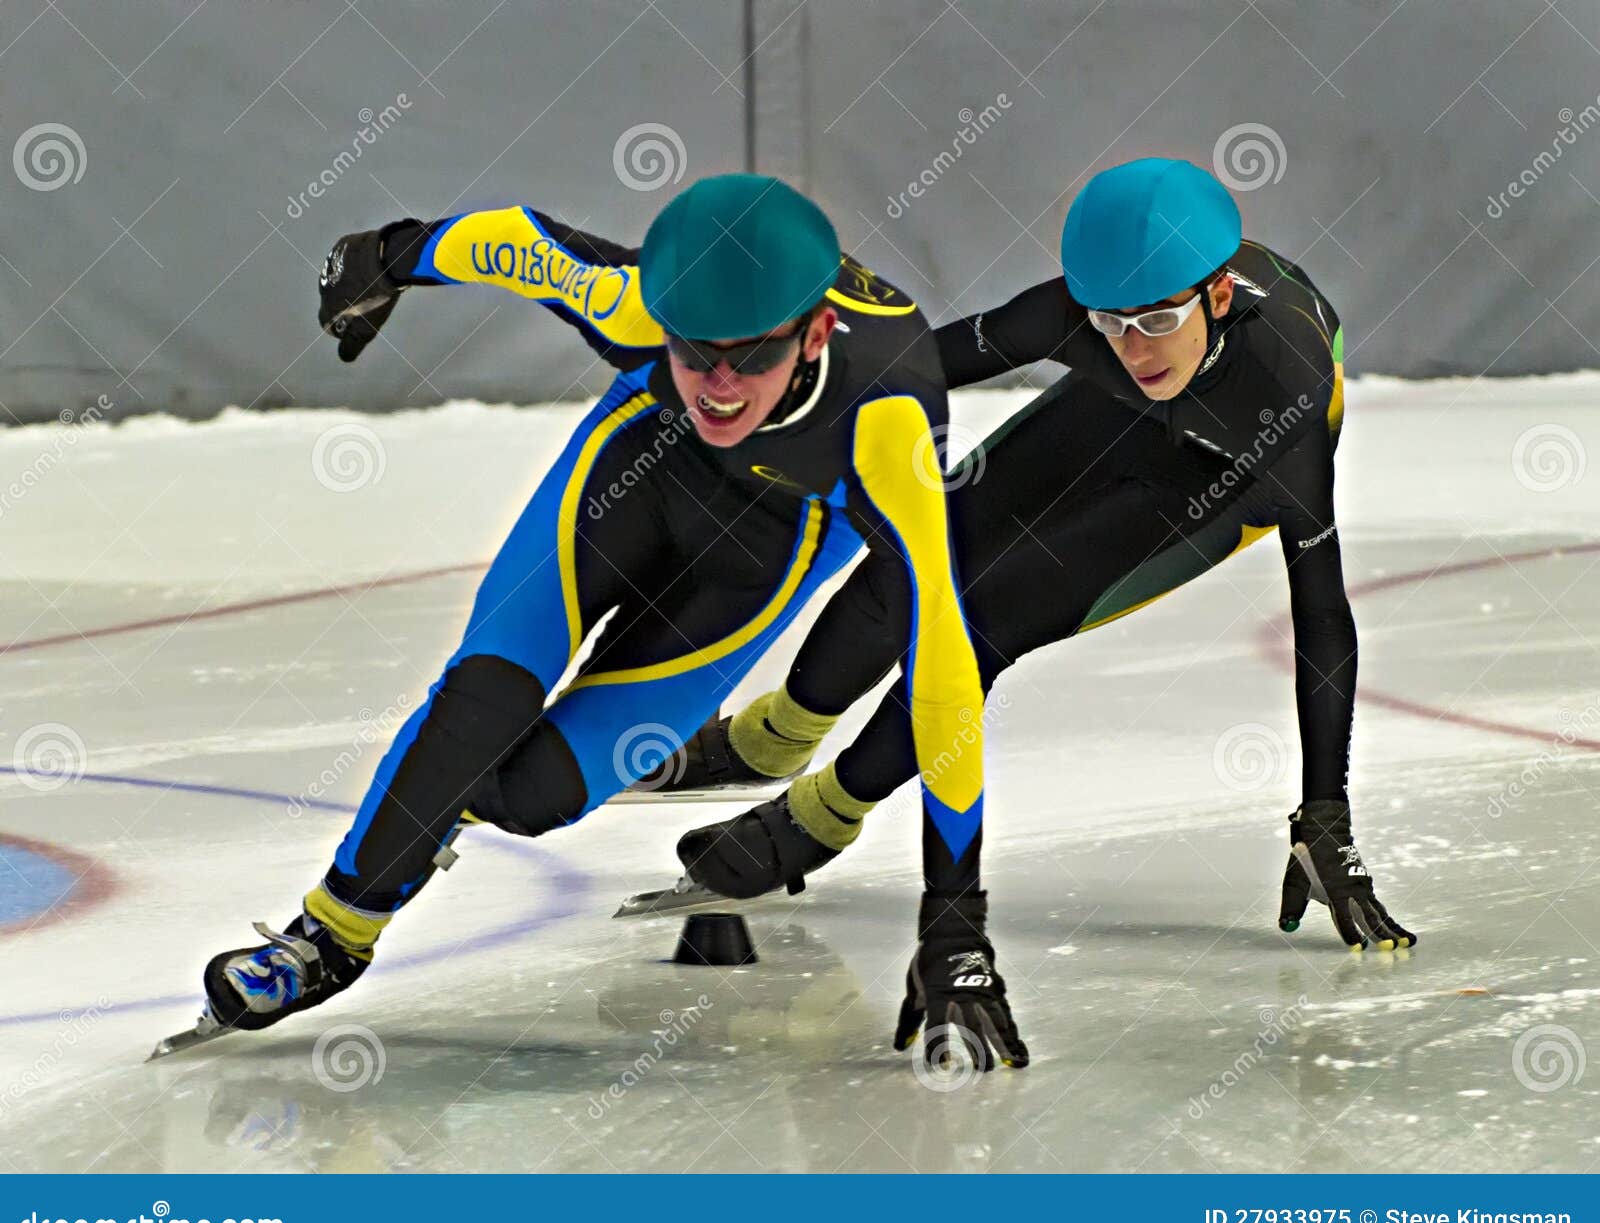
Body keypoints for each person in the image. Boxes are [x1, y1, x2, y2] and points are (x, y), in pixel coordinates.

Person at [196, 173, 1027, 1071]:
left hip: (769, 545)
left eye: (750, 358)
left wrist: (955, 933)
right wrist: (383, 258)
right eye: (691, 350)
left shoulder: (886, 423)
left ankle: (454, 808)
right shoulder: (632, 306)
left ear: (816, 332)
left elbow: (942, 672)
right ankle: (328, 938)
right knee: (479, 704)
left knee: (532, 797)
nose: (717, 385)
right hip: (640, 466)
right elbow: (517, 242)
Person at [673, 157, 1415, 954]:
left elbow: (1323, 612)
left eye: (1156, 319)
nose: (1135, 346)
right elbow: (913, 365)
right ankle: (773, 737)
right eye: (1111, 322)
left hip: (1231, 471)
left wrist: (1325, 816)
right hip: (1127, 415)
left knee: (986, 622)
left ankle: (821, 816)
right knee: (925, 545)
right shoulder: (1091, 323)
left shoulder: (1284, 385)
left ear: (1220, 295)